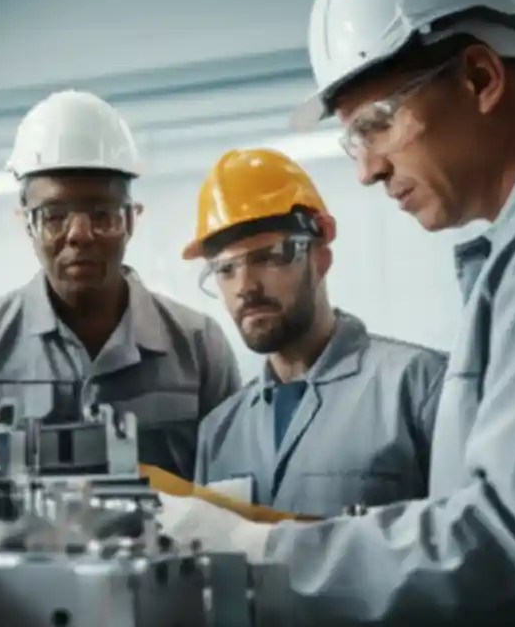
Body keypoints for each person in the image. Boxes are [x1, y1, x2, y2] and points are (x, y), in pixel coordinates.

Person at [158, 0, 515, 627]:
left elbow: (512, 537)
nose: (368, 169)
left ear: (481, 78)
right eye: (354, 140)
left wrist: (259, 555)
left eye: (378, 124)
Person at [0, 90, 242, 480]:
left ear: (132, 221)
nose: (79, 235)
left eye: (102, 215)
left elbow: (232, 498)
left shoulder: (198, 346)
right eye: (54, 216)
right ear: (26, 223)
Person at [185, 148, 446, 517]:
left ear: (320, 256)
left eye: (268, 257)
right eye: (226, 270)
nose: (244, 286)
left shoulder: (419, 386)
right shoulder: (220, 432)